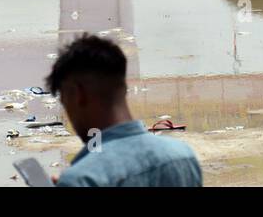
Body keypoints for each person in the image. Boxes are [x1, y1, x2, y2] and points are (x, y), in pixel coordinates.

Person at [45, 34, 202, 187]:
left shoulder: (83, 178)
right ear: (123, 88)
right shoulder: (182, 157)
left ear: (79, 94)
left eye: (64, 100)